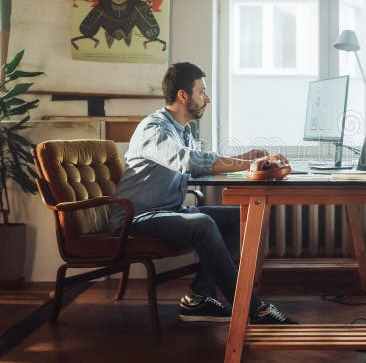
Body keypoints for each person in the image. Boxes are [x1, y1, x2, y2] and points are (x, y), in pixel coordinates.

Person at [110, 61, 295, 325]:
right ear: (183, 96)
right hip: (136, 218)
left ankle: (199, 297)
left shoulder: (182, 130)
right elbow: (187, 162)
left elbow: (197, 163)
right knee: (203, 223)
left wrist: (242, 158)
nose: (207, 99)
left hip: (168, 211)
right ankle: (251, 308)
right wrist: (246, 165)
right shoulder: (154, 129)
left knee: (237, 216)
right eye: (201, 92)